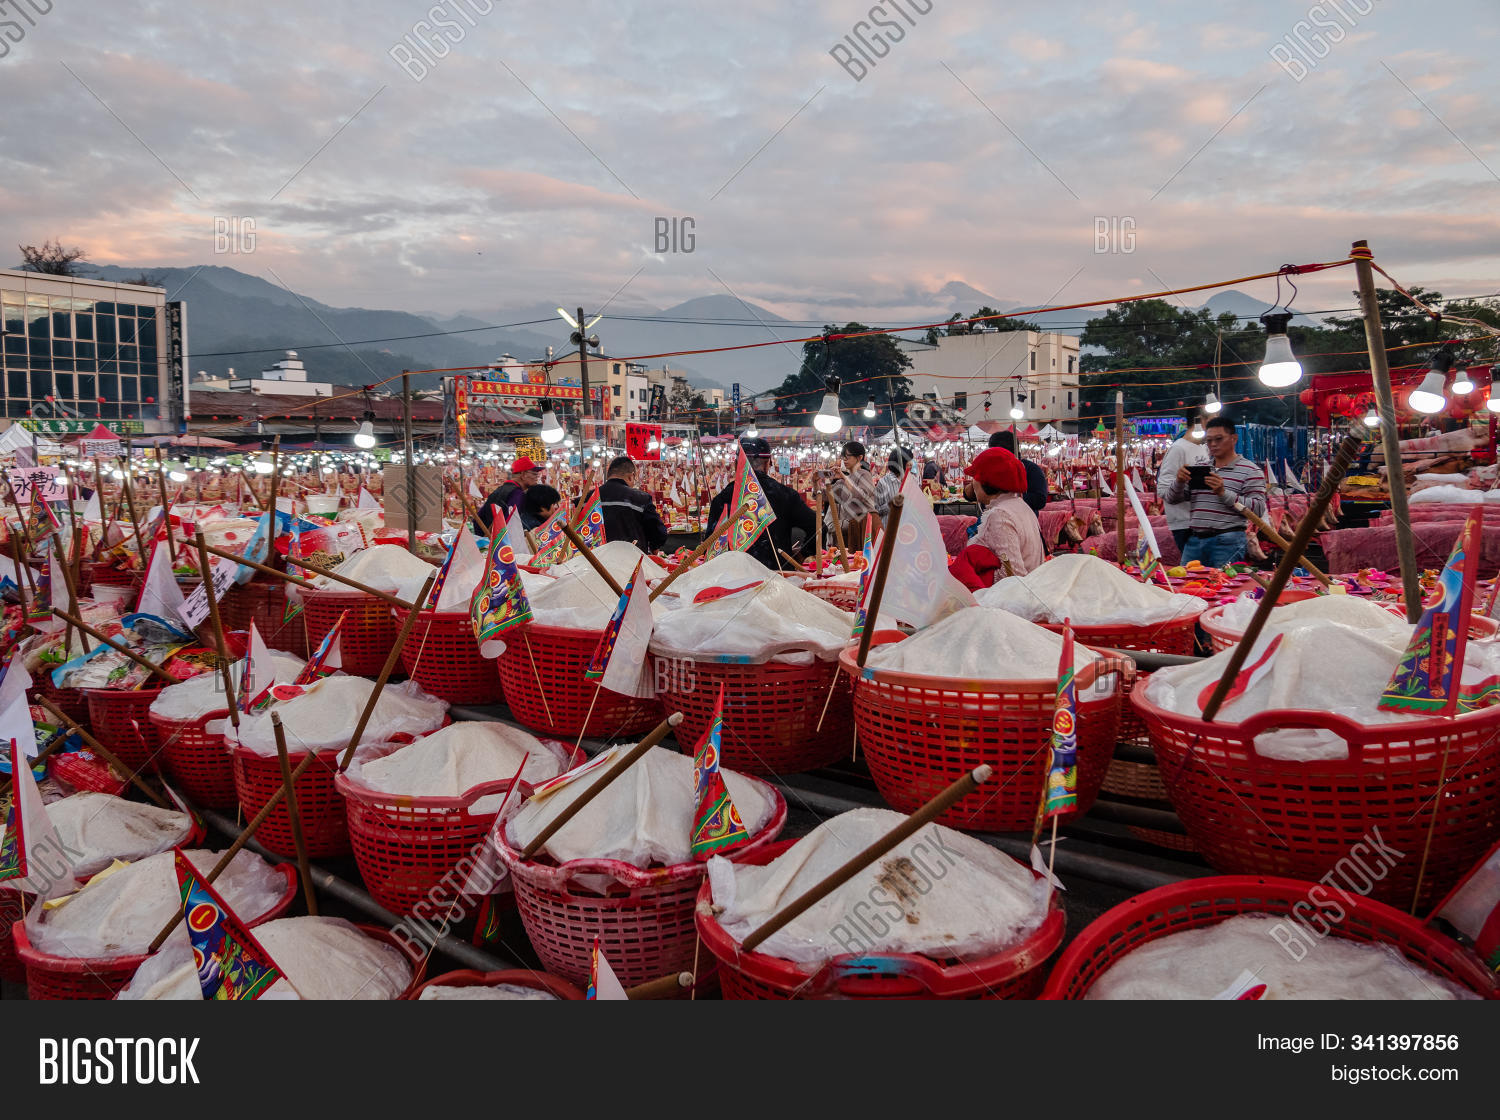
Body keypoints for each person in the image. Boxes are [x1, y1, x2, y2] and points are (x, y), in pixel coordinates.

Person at [1164, 415, 1267, 568]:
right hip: (1194, 540)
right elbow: (1171, 499)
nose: (1213, 444)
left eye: (1219, 439)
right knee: (1187, 587)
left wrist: (1223, 493)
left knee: (1225, 587)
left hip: (1227, 540)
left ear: (1234, 438)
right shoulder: (1200, 469)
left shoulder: (1251, 471)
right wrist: (1179, 482)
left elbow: (1258, 509)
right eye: (1209, 440)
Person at [708, 437, 817, 568]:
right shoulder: (786, 495)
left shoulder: (721, 498)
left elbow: (710, 546)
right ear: (768, 463)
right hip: (779, 578)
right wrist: (802, 554)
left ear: (737, 464)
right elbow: (819, 526)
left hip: (733, 579)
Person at [951, 447, 1045, 586]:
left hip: (1011, 599)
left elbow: (1013, 574)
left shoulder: (1000, 515)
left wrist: (979, 575)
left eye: (975, 478)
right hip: (1033, 586)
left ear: (986, 482)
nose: (973, 483)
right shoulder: (1020, 505)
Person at [1158, 409, 1208, 553]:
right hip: (1186, 524)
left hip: (1201, 522)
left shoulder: (1202, 448)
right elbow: (1163, 490)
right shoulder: (1178, 448)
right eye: (1213, 419)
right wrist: (1181, 483)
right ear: (1199, 420)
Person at [597, 455, 669, 553]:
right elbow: (658, 532)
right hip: (632, 562)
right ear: (631, 476)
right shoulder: (641, 498)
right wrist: (654, 547)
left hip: (594, 562)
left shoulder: (587, 499)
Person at [475, 456, 542, 534]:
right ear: (523, 474)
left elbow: (479, 517)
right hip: (500, 542)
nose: (537, 477)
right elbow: (511, 524)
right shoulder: (517, 493)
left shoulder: (502, 489)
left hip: (487, 539)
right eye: (534, 474)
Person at [988, 430, 1049, 514]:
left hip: (1024, 523)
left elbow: (1040, 500)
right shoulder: (990, 470)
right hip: (994, 520)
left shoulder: (1031, 469)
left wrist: (1009, 498)